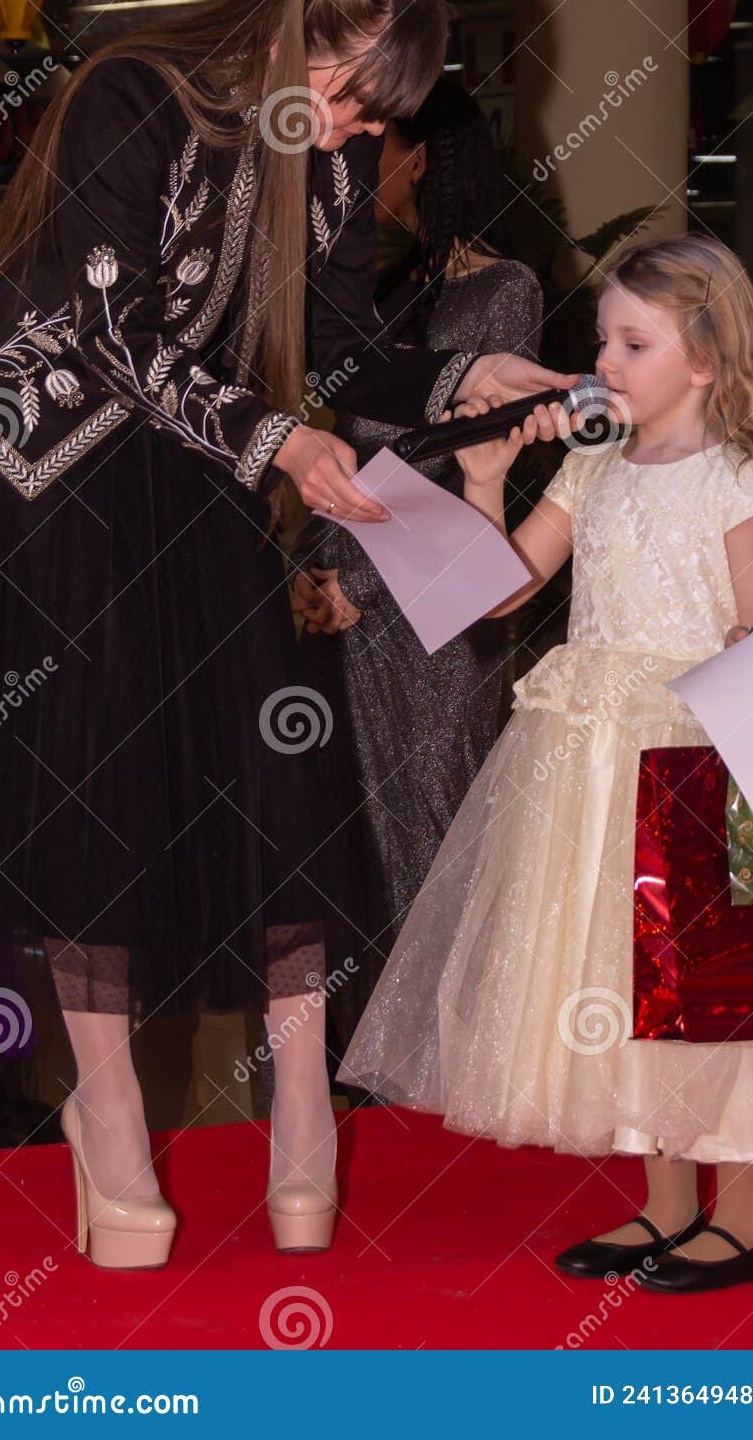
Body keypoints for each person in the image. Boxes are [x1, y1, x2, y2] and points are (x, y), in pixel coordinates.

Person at [0, 0, 575, 1269]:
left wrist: (461, 384)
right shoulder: (134, 89)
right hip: (28, 458)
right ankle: (106, 1128)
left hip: (184, 450)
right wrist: (274, 440)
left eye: (367, 111)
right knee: (84, 780)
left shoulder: (330, 156)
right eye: (335, 88)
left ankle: (302, 1120)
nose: (342, 124)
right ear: (286, 26)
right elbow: (109, 322)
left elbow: (330, 348)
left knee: (271, 764)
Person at [338, 232, 753, 1293]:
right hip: (589, 755)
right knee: (621, 981)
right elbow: (499, 593)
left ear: (709, 360)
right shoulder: (591, 463)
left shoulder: (741, 475)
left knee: (720, 987)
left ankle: (750, 1215)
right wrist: (487, 478)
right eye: (603, 341)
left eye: (634, 343)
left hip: (696, 748)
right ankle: (669, 1204)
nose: (606, 363)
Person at [289, 78, 543, 1048]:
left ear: (425, 156)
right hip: (353, 602)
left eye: (374, 145)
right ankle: (374, 1064)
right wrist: (317, 573)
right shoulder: (392, 298)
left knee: (433, 830)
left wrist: (348, 579)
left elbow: (461, 445)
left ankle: (449, 1068)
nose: (358, 166)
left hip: (428, 606)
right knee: (360, 838)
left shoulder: (503, 288)